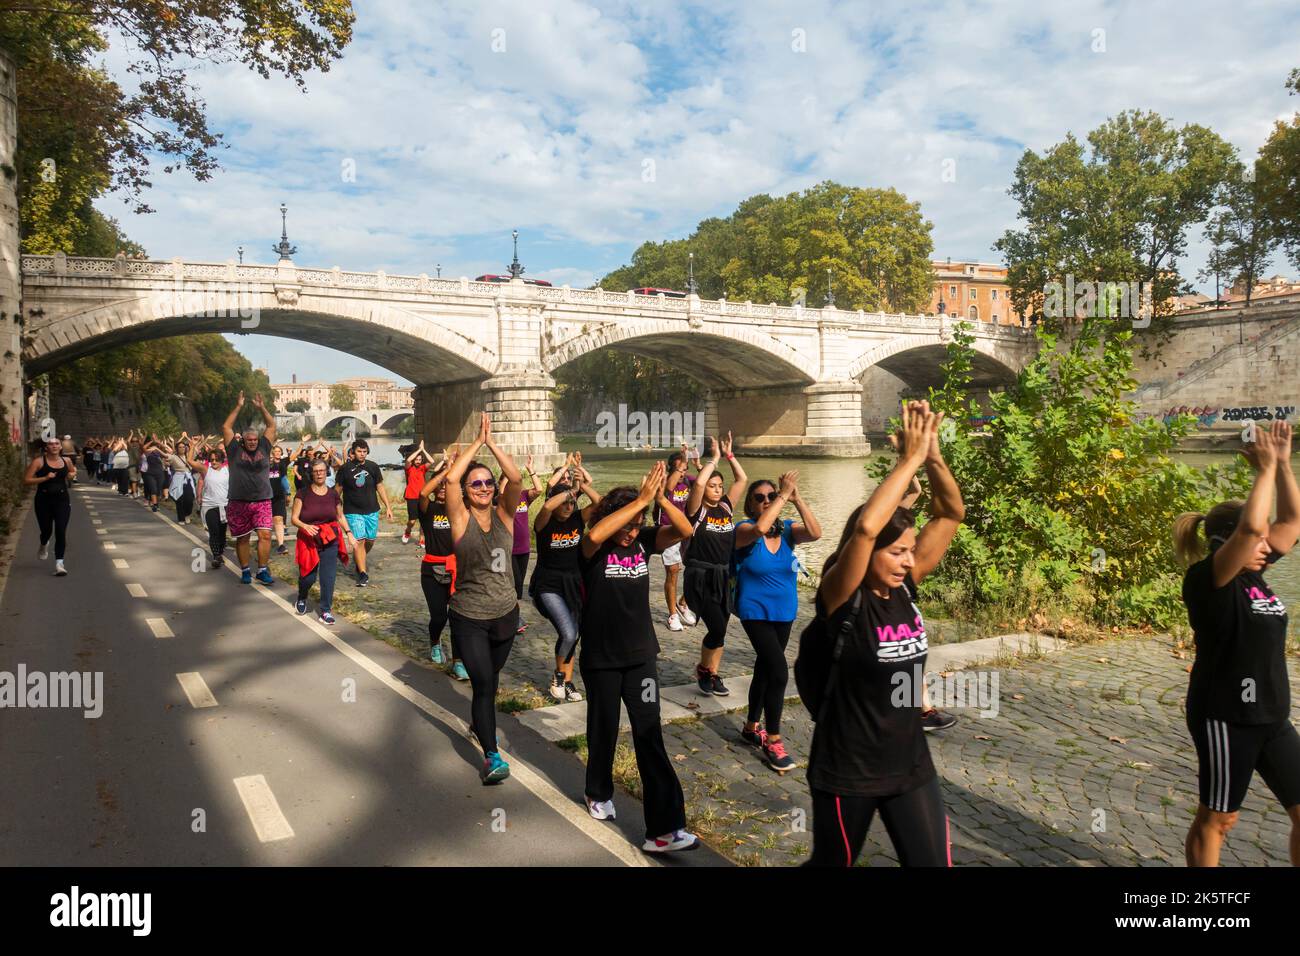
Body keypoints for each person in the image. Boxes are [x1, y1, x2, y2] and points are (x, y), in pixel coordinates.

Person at [805, 400, 962, 867]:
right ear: (869, 551)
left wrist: (932, 456)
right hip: (847, 768)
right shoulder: (840, 596)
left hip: (910, 763)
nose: (909, 561)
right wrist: (907, 460)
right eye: (897, 552)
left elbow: (951, 514)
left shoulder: (906, 588)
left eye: (911, 551)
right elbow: (869, 526)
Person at [1175, 420, 1300, 866]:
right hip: (1226, 716)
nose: (1269, 544)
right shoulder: (1208, 579)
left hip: (1272, 716)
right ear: (1223, 542)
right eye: (1259, 538)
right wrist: (1262, 471)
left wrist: (1283, 465)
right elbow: (1252, 530)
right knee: (1219, 819)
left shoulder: (1254, 575)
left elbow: (1291, 521)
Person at [578, 461, 699, 852]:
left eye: (637, 524)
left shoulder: (645, 539)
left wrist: (659, 498)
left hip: (642, 657)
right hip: (601, 657)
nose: (631, 532)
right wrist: (640, 501)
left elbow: (685, 530)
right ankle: (597, 791)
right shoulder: (593, 546)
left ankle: (664, 829)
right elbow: (596, 531)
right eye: (626, 524)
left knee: (650, 735)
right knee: (605, 728)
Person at [444, 413, 524, 784]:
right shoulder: (461, 519)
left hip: (506, 614)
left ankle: (481, 724)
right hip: (469, 617)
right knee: (484, 684)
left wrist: (493, 444)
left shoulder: (506, 515)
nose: (483, 487)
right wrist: (476, 442)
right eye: (476, 483)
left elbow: (518, 479)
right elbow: (450, 478)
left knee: (491, 679)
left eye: (489, 482)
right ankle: (492, 757)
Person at [733, 469, 821, 772]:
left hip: (785, 611)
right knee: (779, 672)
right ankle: (773, 739)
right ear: (750, 504)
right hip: (753, 609)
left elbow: (816, 532)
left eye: (771, 496)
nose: (768, 501)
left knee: (765, 667)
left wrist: (796, 499)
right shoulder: (744, 529)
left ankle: (750, 726)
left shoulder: (786, 530)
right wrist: (783, 495)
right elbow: (759, 528)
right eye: (761, 498)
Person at [683, 430, 747, 696]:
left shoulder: (726, 507)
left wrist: (731, 455)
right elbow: (698, 485)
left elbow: (742, 479)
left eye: (720, 486)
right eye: (713, 485)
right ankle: (704, 669)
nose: (718, 489)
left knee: (721, 628)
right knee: (717, 627)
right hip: (700, 576)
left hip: (722, 576)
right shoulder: (697, 509)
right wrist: (715, 457)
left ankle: (711, 673)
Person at [531, 464, 602, 702]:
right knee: (568, 632)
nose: (568, 507)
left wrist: (581, 486)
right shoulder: (544, 523)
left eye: (572, 504)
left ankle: (567, 681)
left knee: (573, 634)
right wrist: (569, 491)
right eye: (565, 503)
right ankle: (559, 677)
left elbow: (599, 505)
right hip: (548, 585)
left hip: (573, 583)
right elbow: (548, 505)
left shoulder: (577, 518)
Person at [418, 450, 469, 680]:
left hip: (456, 569)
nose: (441, 491)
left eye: (446, 488)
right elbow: (422, 492)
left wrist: (455, 470)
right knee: (439, 617)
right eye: (440, 488)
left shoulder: (457, 510)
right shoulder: (428, 510)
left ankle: (459, 661)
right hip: (432, 570)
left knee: (458, 617)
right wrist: (445, 471)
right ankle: (435, 642)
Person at [221, 391, 277, 585]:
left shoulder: (265, 446)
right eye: (249, 440)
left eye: (255, 439)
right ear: (243, 440)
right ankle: (245, 570)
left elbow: (271, 425)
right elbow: (226, 427)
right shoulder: (234, 449)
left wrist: (261, 407)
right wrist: (238, 406)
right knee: (242, 539)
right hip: (238, 501)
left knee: (265, 535)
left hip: (262, 500)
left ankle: (262, 570)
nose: (253, 442)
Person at [292, 458, 351, 624]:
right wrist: (305, 526)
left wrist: (349, 533)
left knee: (328, 577)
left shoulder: (333, 494)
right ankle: (302, 596)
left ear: (327, 472)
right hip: (308, 540)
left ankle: (326, 611)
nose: (319, 474)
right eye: (316, 471)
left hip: (330, 539)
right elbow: (294, 519)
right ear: (312, 473)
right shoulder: (303, 493)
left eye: (322, 471)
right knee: (308, 577)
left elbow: (340, 516)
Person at [335, 439, 392, 587]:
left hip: (372, 510)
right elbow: (337, 491)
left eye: (364, 451)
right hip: (352, 511)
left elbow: (380, 486)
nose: (362, 454)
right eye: (359, 451)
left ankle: (360, 558)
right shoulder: (345, 469)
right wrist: (334, 509)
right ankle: (362, 572)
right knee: (359, 541)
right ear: (353, 452)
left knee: (370, 540)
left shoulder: (372, 467)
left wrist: (388, 507)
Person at [657, 447, 699, 631]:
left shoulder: (688, 481)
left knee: (697, 569)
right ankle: (672, 614)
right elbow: (669, 487)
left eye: (684, 470)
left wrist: (697, 465)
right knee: (673, 571)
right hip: (668, 530)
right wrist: (680, 465)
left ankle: (683, 603)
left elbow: (704, 482)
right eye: (679, 470)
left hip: (686, 530)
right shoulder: (664, 481)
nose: (683, 473)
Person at [25, 435, 76, 576]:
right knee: (46, 531)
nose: (54, 446)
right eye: (51, 444)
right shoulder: (39, 462)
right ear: (46, 447)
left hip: (62, 501)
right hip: (43, 501)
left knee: (60, 531)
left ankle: (60, 564)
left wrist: (72, 475)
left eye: (56, 444)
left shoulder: (66, 460)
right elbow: (27, 480)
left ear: (60, 447)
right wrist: (45, 478)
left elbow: (72, 471)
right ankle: (43, 544)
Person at [510, 455, 544, 634]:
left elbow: (539, 490)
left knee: (518, 585)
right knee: (512, 585)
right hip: (508, 550)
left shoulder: (524, 496)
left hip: (523, 549)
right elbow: (500, 494)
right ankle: (514, 619)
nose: (518, 484)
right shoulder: (504, 499)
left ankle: (512, 616)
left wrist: (531, 470)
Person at [188, 440, 229, 569]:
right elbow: (190, 461)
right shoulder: (206, 469)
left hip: (225, 506)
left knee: (222, 533)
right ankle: (216, 556)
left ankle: (220, 552)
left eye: (217, 459)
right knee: (214, 531)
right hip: (209, 506)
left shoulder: (228, 470)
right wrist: (193, 447)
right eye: (212, 460)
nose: (214, 462)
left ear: (222, 460)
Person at [402, 443, 430, 545]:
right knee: (412, 521)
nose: (418, 461)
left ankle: (422, 539)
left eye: (420, 460)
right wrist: (418, 450)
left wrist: (423, 450)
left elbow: (431, 461)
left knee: (423, 520)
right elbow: (408, 460)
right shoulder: (409, 468)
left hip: (422, 496)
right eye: (416, 459)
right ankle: (407, 531)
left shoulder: (423, 468)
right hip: (411, 496)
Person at [269, 444, 291, 555]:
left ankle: (281, 545)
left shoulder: (282, 464)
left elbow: (284, 479)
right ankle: (264, 543)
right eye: (274, 451)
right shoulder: (264, 465)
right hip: (265, 497)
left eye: (278, 451)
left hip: (278, 496)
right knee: (268, 523)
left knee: (278, 519)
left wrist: (288, 493)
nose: (276, 453)